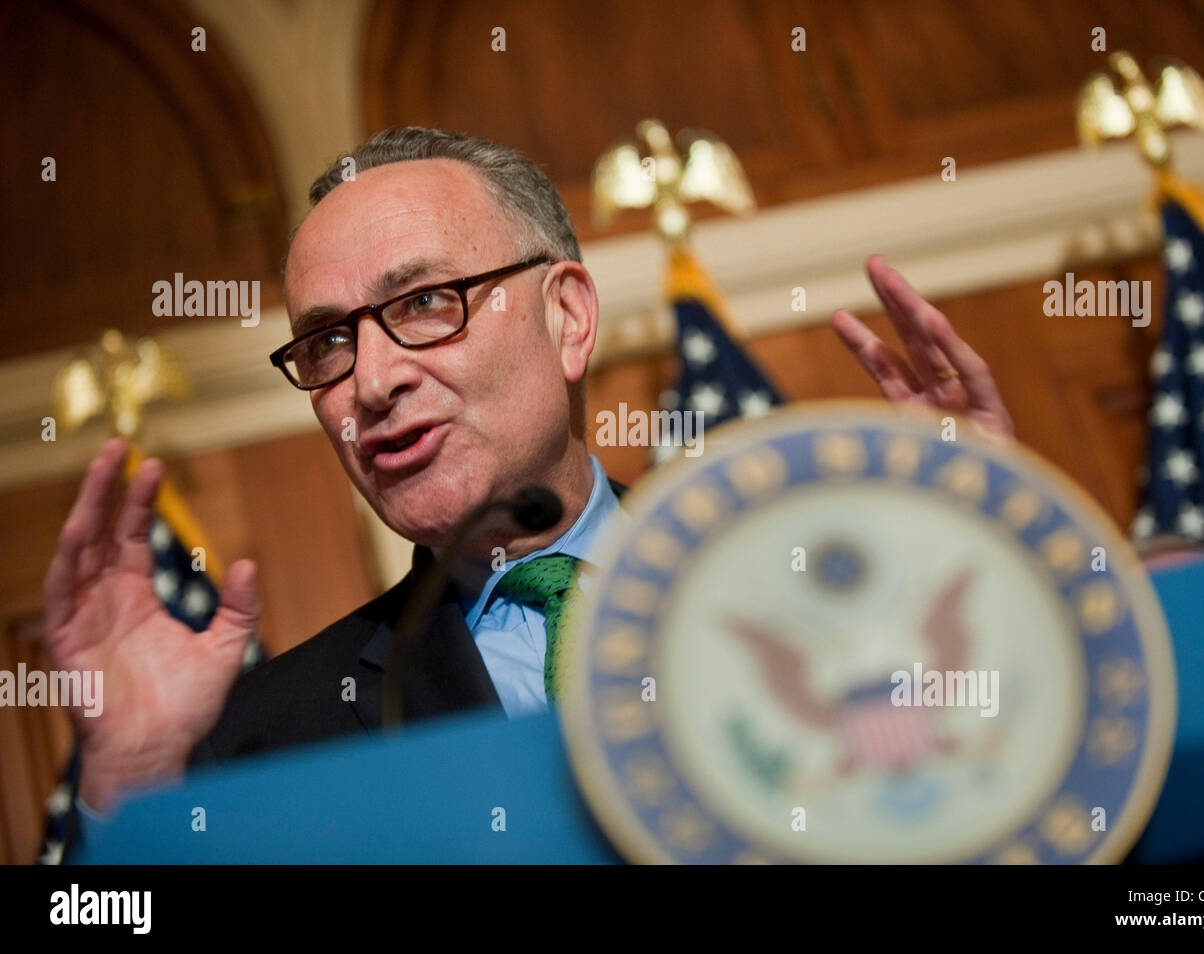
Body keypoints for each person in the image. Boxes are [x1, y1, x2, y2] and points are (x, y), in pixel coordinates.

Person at [41, 127, 1015, 819]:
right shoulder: (258, 738)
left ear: (568, 319)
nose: (370, 382)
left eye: (423, 302)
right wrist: (133, 787)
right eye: (328, 343)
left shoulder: (824, 601)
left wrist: (1009, 565)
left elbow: (1022, 801)